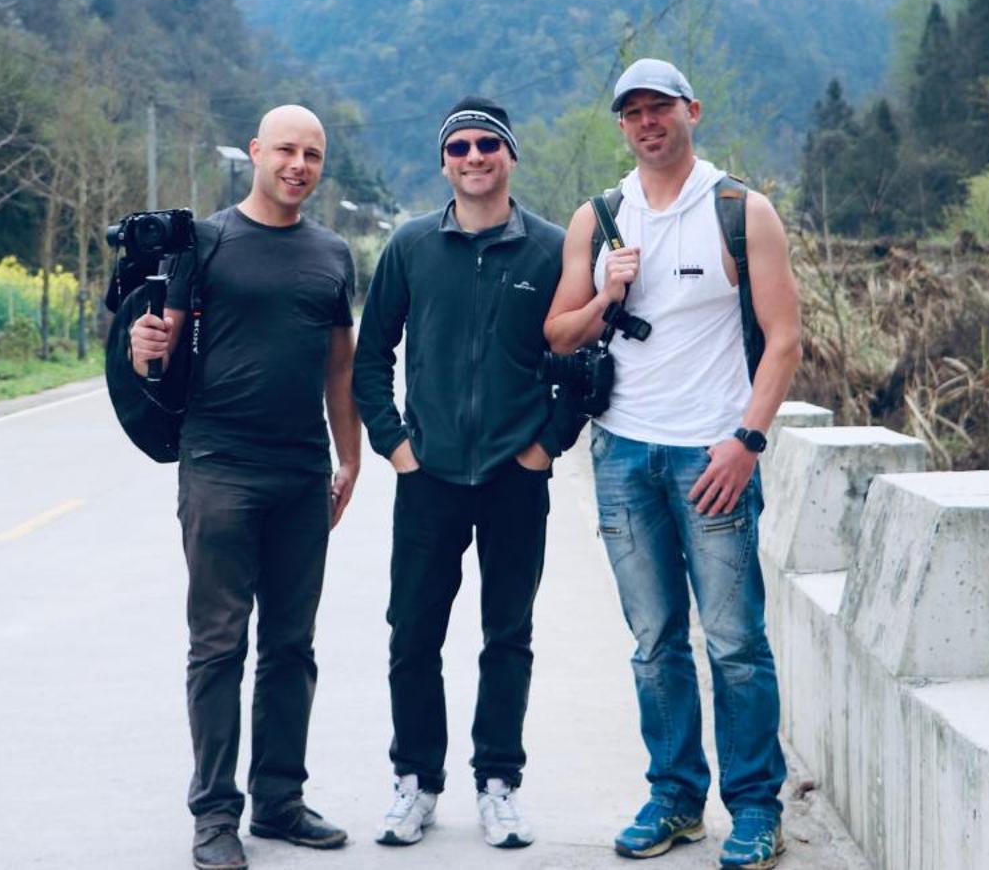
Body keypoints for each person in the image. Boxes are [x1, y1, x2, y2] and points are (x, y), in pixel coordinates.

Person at [543, 60, 804, 870]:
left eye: (662, 108)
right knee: (654, 640)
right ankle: (675, 797)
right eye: (634, 113)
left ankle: (757, 808)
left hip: (710, 453)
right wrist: (606, 296)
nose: (649, 122)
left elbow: (785, 338)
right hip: (623, 454)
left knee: (733, 641)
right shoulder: (601, 217)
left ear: (692, 110)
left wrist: (745, 440)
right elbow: (559, 333)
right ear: (622, 125)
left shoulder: (741, 210)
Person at [129, 104, 362, 870]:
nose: (299, 164)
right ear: (256, 152)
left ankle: (280, 799)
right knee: (220, 642)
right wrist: (141, 349)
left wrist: (349, 457)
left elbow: (338, 366)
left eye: (314, 154)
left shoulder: (332, 254)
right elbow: (155, 347)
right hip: (219, 466)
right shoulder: (207, 240)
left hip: (301, 472)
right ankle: (214, 813)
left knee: (292, 645)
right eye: (287, 149)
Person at [353, 96, 578, 851]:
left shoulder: (549, 249)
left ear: (510, 155)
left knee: (506, 634)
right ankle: (416, 781)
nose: (474, 156)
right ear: (443, 160)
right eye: (459, 146)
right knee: (412, 634)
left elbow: (580, 359)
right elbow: (370, 354)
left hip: (517, 476)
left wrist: (548, 443)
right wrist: (396, 447)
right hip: (431, 477)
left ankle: (499, 782)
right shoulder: (412, 246)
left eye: (488, 144)